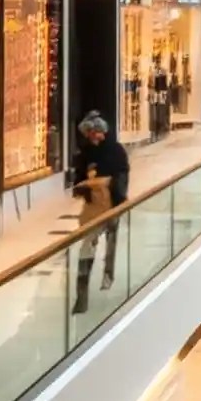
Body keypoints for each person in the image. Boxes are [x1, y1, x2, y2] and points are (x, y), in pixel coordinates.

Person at [73, 111, 129, 294]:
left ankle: (108, 276)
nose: (91, 137)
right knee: (88, 242)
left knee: (111, 240)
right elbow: (78, 178)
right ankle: (83, 283)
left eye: (92, 133)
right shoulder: (85, 153)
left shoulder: (115, 150)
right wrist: (83, 187)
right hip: (93, 206)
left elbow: (122, 176)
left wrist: (116, 194)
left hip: (112, 203)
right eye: (88, 134)